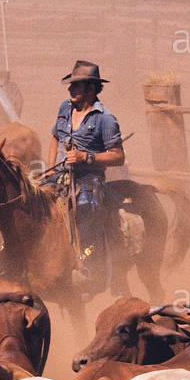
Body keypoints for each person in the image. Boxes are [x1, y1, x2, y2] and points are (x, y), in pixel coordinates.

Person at [47, 60, 125, 290]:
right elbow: (54, 136)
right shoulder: (65, 108)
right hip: (60, 174)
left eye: (77, 86)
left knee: (86, 211)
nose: (71, 90)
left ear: (92, 89)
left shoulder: (105, 119)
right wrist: (51, 167)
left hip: (89, 179)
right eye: (71, 85)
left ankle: (90, 271)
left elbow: (118, 156)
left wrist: (86, 157)